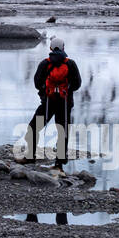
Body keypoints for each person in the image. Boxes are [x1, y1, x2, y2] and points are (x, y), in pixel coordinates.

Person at [26, 37, 82, 167]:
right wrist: (67, 92)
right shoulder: (70, 64)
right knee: (63, 131)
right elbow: (77, 84)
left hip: (48, 103)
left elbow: (37, 83)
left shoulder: (45, 63)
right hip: (65, 103)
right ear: (63, 48)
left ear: (50, 48)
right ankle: (59, 163)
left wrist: (45, 94)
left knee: (33, 127)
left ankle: (30, 156)